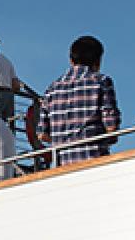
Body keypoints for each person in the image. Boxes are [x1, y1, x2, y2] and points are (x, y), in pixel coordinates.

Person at [37, 35, 121, 166]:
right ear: (98, 61)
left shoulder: (51, 89)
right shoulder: (101, 82)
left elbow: (42, 134)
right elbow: (111, 126)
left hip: (62, 165)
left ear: (71, 60)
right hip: (94, 160)